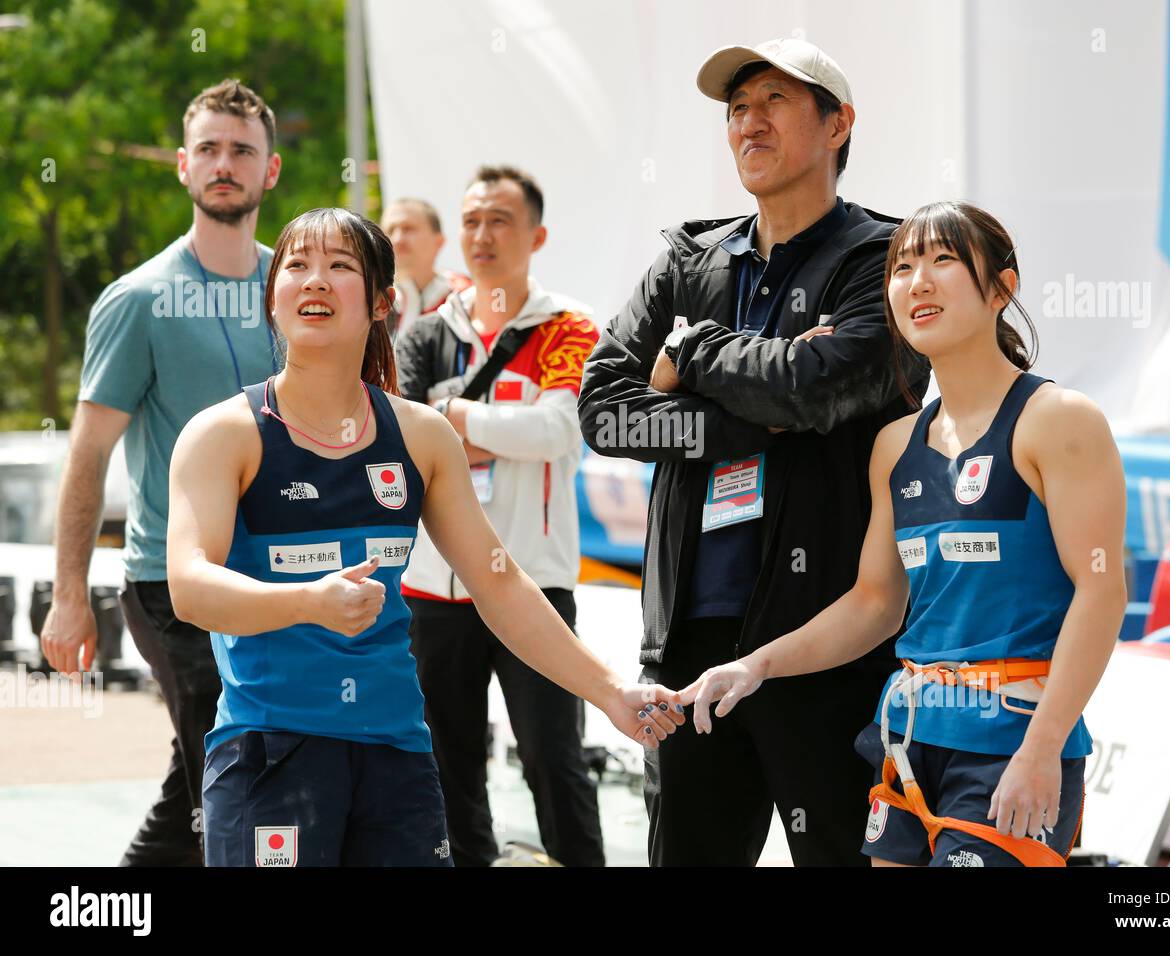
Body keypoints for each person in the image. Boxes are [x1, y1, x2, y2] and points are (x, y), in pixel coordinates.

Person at [165, 207, 684, 867]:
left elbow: (499, 580)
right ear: (273, 297)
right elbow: (189, 586)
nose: (314, 281)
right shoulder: (224, 434)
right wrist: (307, 602)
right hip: (270, 750)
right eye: (296, 266)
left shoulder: (420, 435)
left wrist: (612, 692)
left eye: (339, 267)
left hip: (398, 758)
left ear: (383, 302)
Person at [682, 201, 1128, 867]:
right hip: (908, 745)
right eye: (902, 266)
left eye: (943, 260)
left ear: (1003, 287)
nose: (916, 281)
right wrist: (756, 664)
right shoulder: (896, 443)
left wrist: (1042, 748)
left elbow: (1102, 592)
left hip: (1013, 744)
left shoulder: (1057, 419)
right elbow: (874, 603)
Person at [577, 38, 930, 866]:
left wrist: (692, 357)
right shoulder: (688, 258)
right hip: (691, 647)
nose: (748, 122)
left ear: (837, 124)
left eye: (773, 100)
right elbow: (605, 416)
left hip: (831, 641)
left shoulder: (886, 258)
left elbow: (816, 389)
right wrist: (741, 421)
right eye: (737, 108)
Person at [41, 78, 283, 866]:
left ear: (269, 171)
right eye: (208, 149)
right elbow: (87, 456)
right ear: (182, 166)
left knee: (209, 772)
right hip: (170, 582)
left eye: (241, 150)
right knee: (231, 765)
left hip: (278, 578)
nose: (224, 163)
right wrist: (70, 597)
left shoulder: (298, 289)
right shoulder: (138, 299)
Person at [394, 166, 606, 866]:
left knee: (553, 758)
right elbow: (405, 439)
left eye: (500, 220)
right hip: (433, 587)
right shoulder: (424, 334)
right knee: (448, 768)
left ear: (536, 236)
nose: (481, 235)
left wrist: (452, 417)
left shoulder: (569, 327)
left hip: (532, 585)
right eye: (472, 221)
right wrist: (491, 428)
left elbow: (558, 432)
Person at [378, 198, 470, 339]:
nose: (398, 239)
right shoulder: (372, 303)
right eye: (390, 230)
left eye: (408, 229)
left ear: (438, 241)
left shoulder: (465, 296)